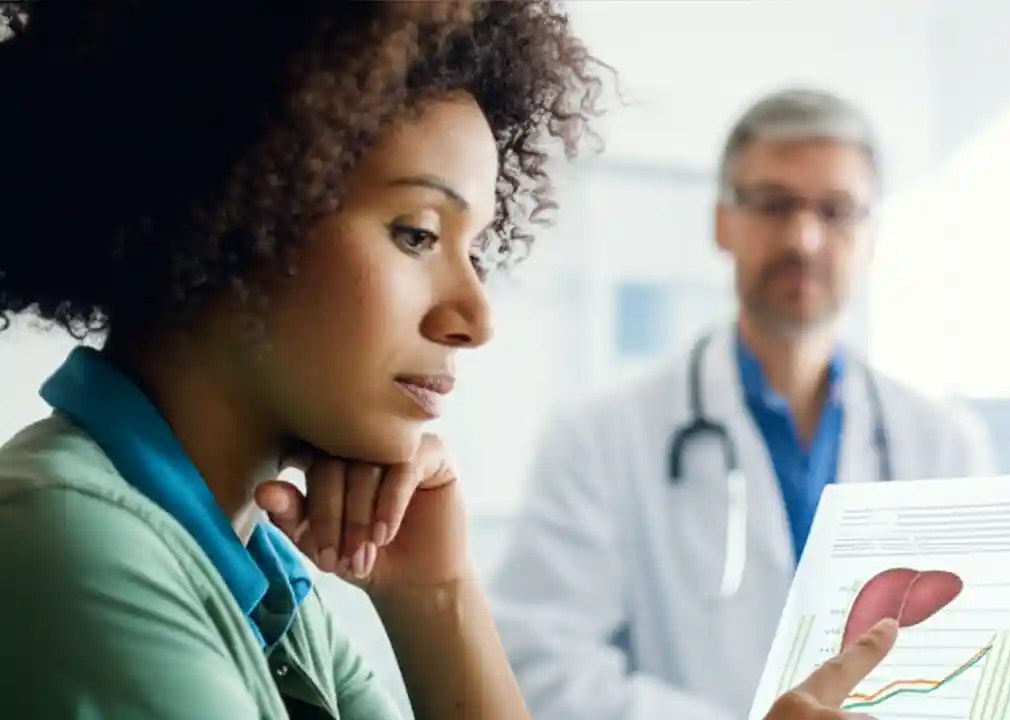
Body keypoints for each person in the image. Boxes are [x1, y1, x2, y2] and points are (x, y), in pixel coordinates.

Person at [0, 3, 906, 719]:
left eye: (475, 249)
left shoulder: (258, 566)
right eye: (415, 233)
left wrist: (435, 593)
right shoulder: (74, 540)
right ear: (231, 211)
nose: (475, 317)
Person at [487, 88, 1005, 719]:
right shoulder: (600, 437)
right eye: (774, 204)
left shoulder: (945, 441)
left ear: (873, 237)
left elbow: (979, 670)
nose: (805, 238)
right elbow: (542, 664)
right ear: (722, 223)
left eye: (836, 210)